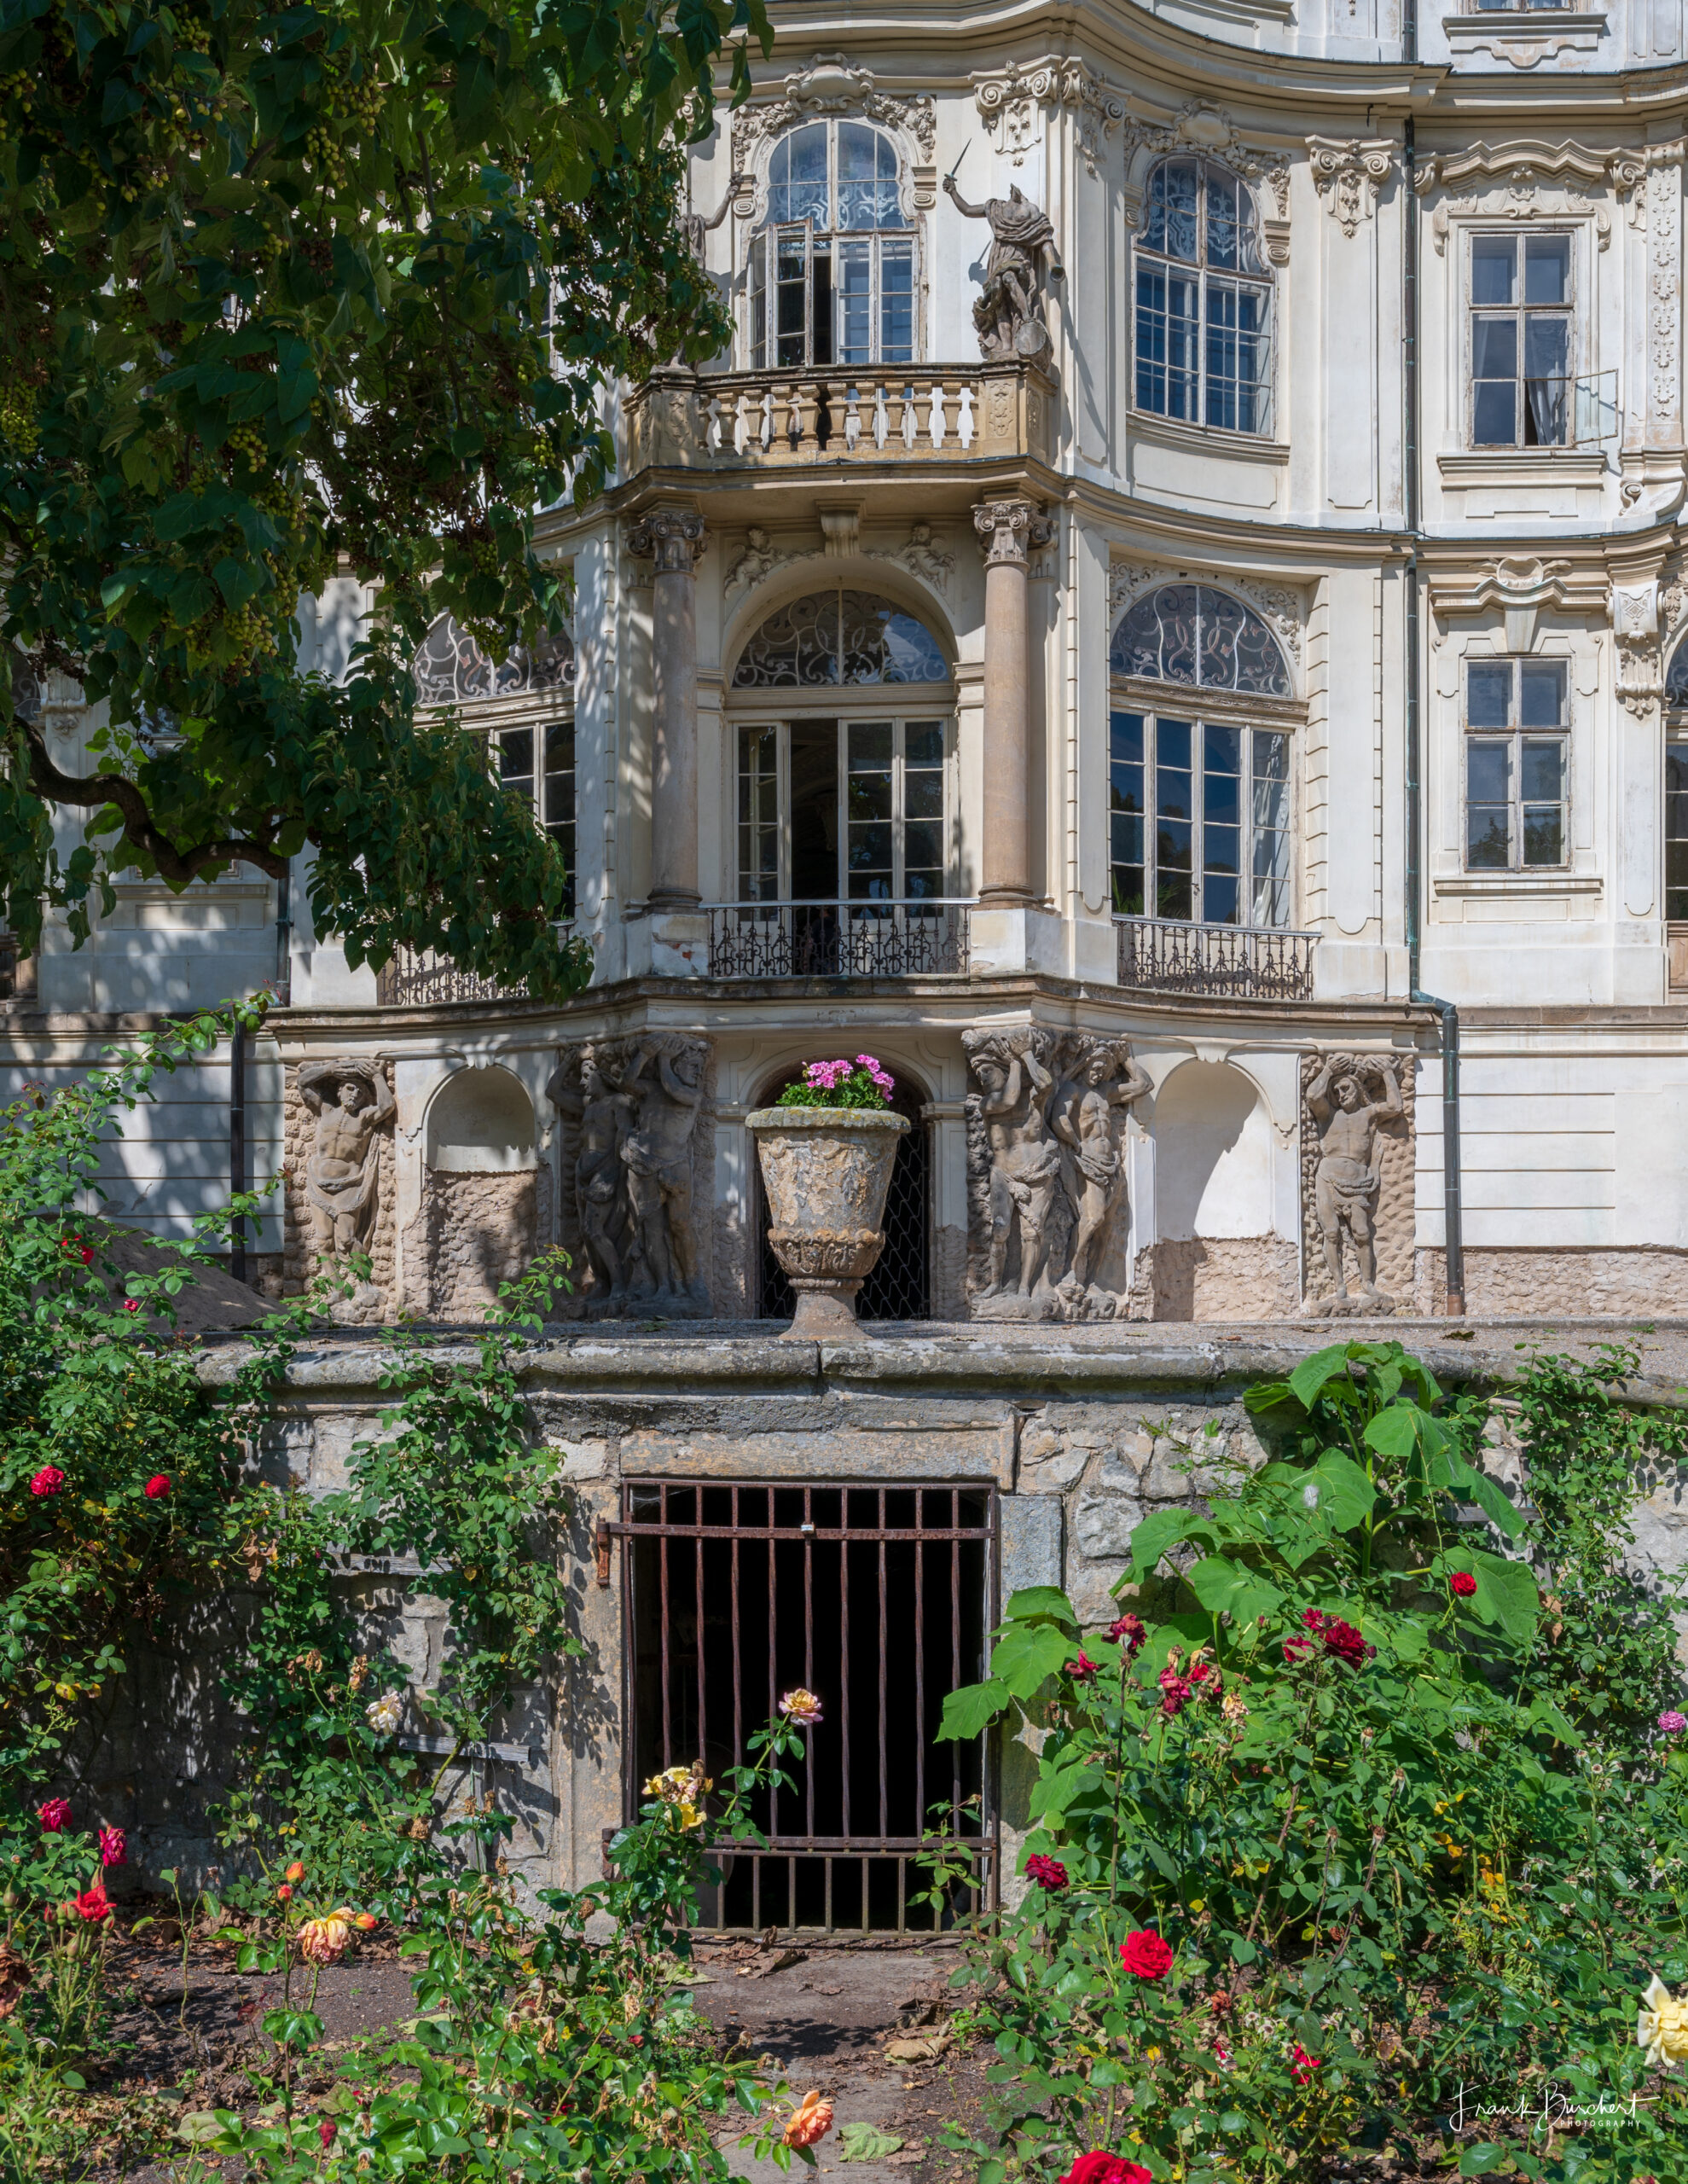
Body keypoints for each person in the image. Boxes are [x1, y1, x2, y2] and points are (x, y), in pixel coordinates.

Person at [1307, 1057, 1403, 1304]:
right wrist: (1328, 1071)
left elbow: (1394, 1106)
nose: (1340, 1094)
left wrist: (1388, 1074)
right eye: (1336, 1091)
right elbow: (1313, 1097)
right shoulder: (1328, 1113)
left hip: (1358, 1180)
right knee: (1331, 1233)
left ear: (1357, 1089)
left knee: (1361, 1233)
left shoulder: (1369, 1113)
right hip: (1328, 1177)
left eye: (1345, 1088)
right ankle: (1339, 1285)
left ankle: (1367, 1283)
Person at [942, 174, 1064, 360]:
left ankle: (1027, 318)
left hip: (1018, 260)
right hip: (997, 260)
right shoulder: (996, 208)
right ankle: (1006, 345)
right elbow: (967, 210)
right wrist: (953, 192)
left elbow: (1044, 240)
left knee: (1008, 278)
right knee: (998, 300)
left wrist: (1053, 264)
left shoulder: (1031, 211)